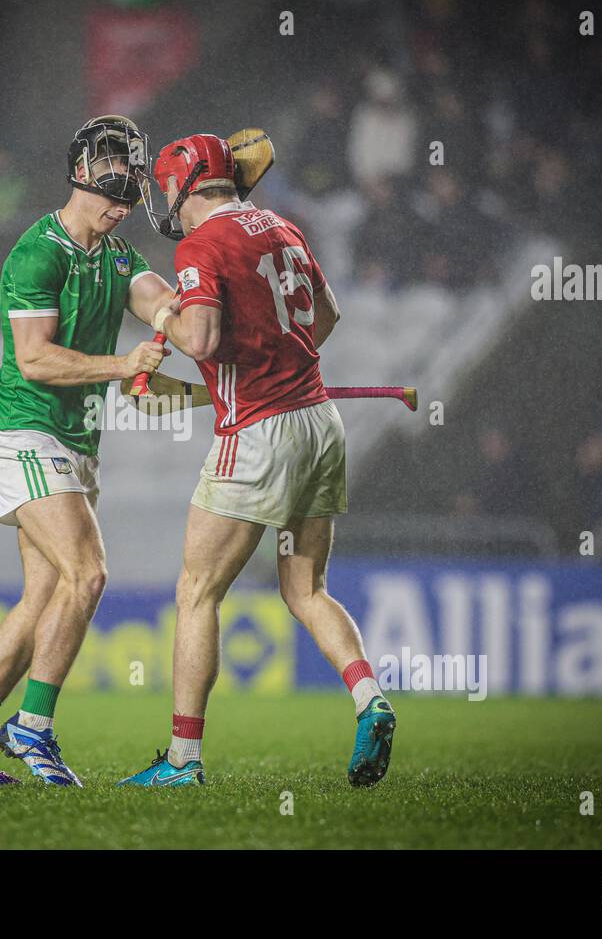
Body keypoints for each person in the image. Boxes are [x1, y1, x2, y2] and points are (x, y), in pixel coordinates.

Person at [118, 134, 395, 787]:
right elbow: (325, 317)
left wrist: (162, 314)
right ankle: (369, 699)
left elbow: (204, 338)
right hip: (320, 425)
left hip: (258, 433)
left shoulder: (200, 245)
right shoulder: (281, 226)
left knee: (197, 591)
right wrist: (270, 347)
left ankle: (184, 761)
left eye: (165, 188)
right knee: (305, 589)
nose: (164, 201)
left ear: (185, 187)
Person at [0, 116, 178, 785]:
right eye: (110, 191)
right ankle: (32, 728)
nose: (119, 207)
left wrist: (197, 324)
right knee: (89, 574)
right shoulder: (38, 252)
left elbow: (164, 304)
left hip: (73, 441)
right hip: (26, 432)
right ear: (78, 177)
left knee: (44, 596)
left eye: (129, 195)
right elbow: (36, 358)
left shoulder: (120, 255)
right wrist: (125, 365)